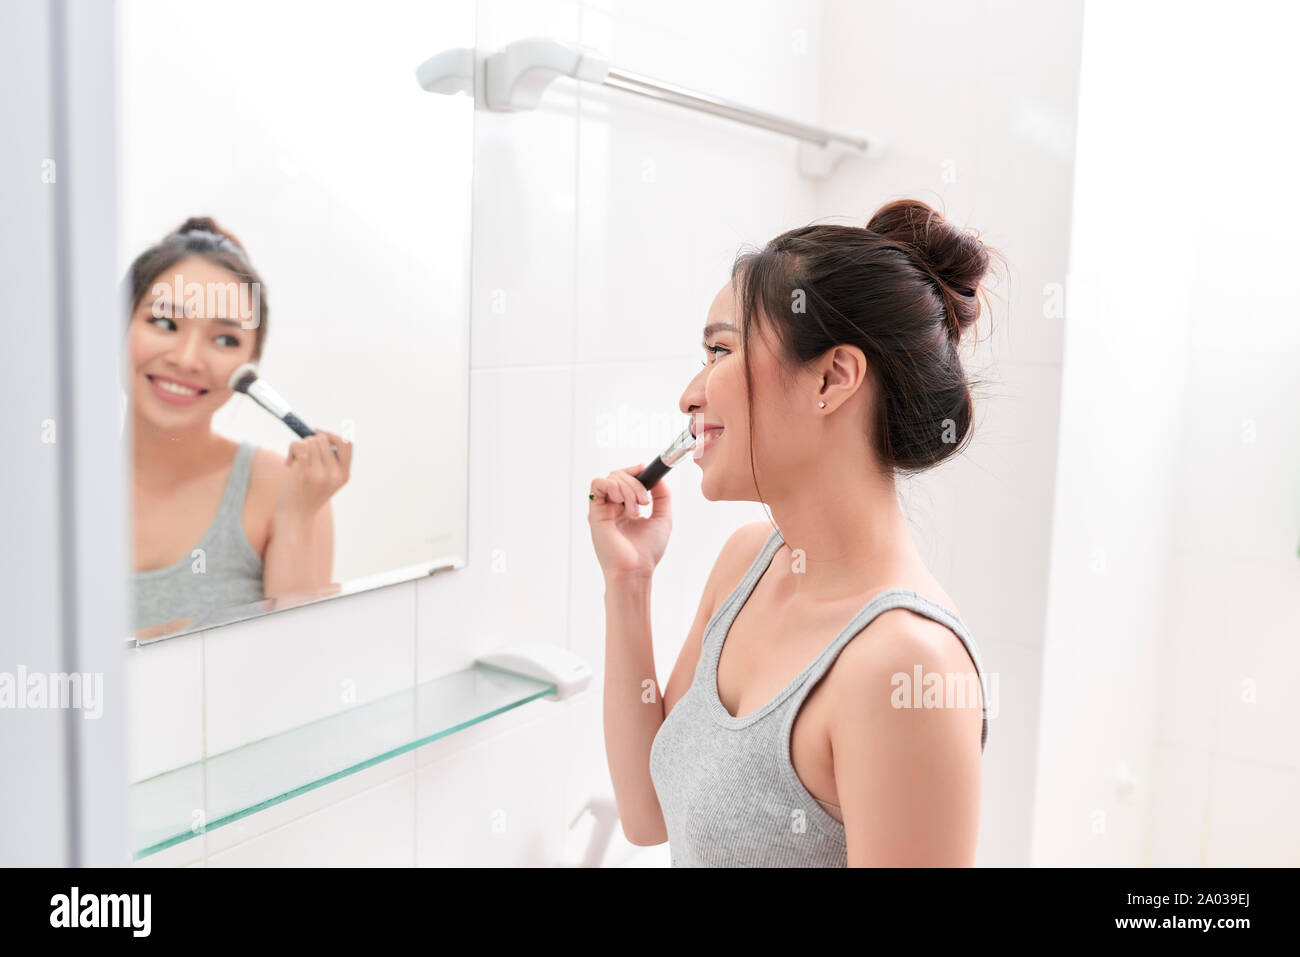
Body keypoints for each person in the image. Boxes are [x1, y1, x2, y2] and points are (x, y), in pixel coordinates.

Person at [589, 198, 1001, 866]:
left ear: (833, 379)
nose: (690, 394)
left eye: (720, 350)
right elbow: (646, 813)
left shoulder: (905, 664)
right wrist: (627, 581)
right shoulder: (746, 563)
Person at [126, 217, 353, 636]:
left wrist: (297, 518)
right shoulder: (39, 485)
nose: (188, 358)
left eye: (225, 339)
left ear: (251, 364)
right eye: (164, 324)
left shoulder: (286, 489)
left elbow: (295, 667)